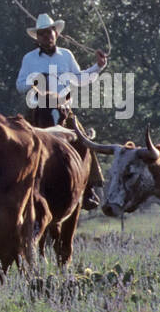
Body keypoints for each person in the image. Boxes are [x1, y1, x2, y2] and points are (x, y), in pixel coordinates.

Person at [15, 12, 107, 209]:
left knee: (83, 141)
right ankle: (13, 185)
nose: (46, 37)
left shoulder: (66, 55)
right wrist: (35, 79)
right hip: (38, 109)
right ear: (37, 37)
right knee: (16, 142)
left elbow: (80, 79)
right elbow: (20, 85)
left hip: (64, 109)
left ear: (56, 33)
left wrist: (98, 67)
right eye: (41, 34)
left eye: (48, 32)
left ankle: (89, 186)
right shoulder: (29, 59)